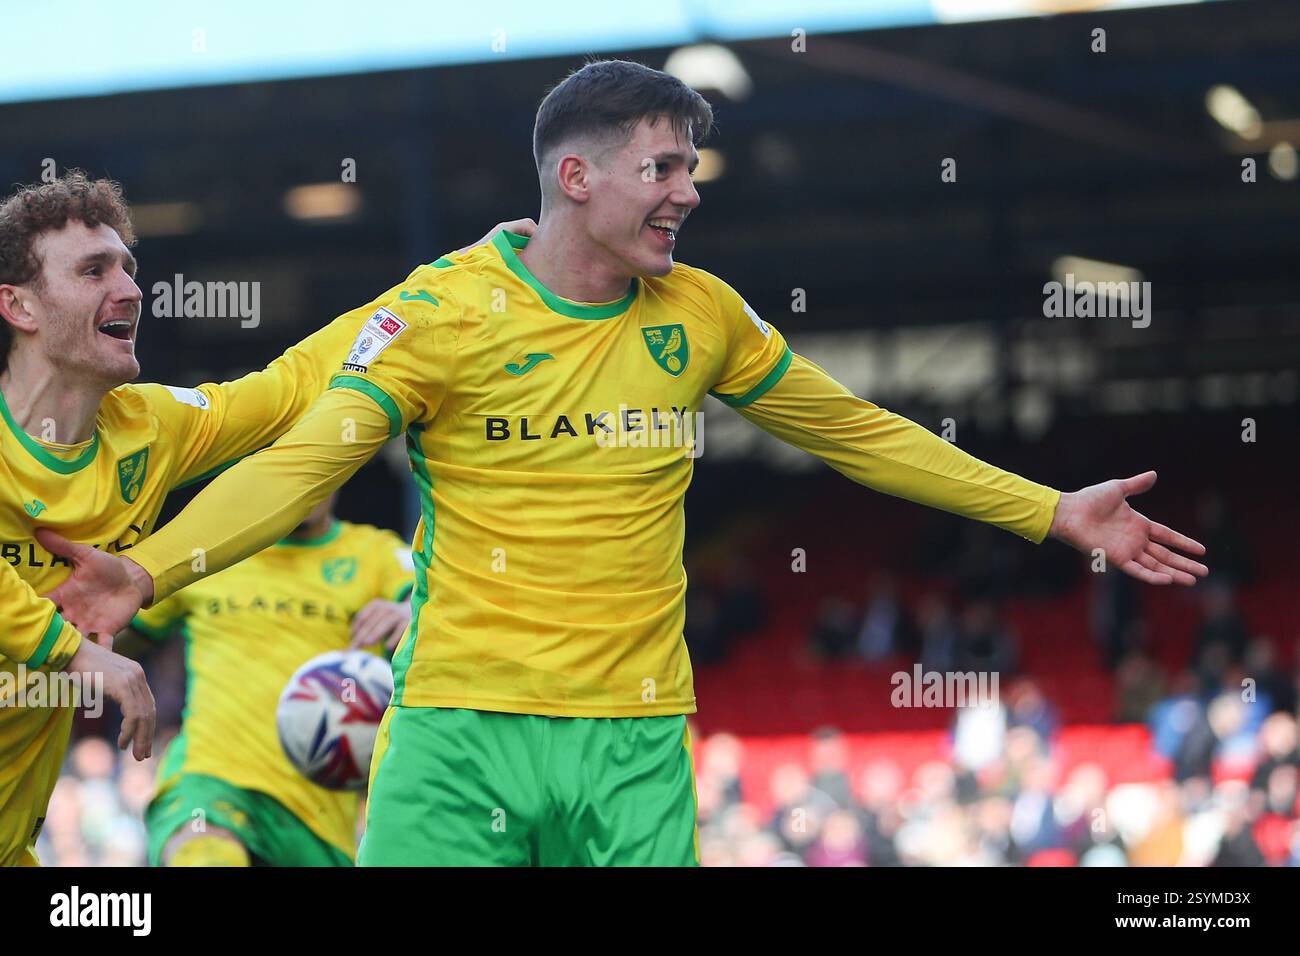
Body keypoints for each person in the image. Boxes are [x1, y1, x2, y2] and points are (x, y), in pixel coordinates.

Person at [45, 60, 1208, 866]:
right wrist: (150, 570)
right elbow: (306, 462)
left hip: (636, 736)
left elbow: (855, 430)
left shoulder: (702, 317)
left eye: (690, 167)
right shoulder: (443, 311)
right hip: (458, 728)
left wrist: (1049, 508)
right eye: (662, 167)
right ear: (576, 177)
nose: (687, 192)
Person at [0, 168, 529, 867]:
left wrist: (448, 281)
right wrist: (72, 651)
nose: (128, 289)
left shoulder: (146, 427)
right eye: (93, 270)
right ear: (20, 306)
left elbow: (292, 387)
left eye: (129, 269)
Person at [123, 491, 412, 866]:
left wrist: (414, 615)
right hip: (211, 780)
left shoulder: (376, 555)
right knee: (206, 856)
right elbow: (108, 638)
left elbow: (439, 609)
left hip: (318, 818)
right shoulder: (209, 550)